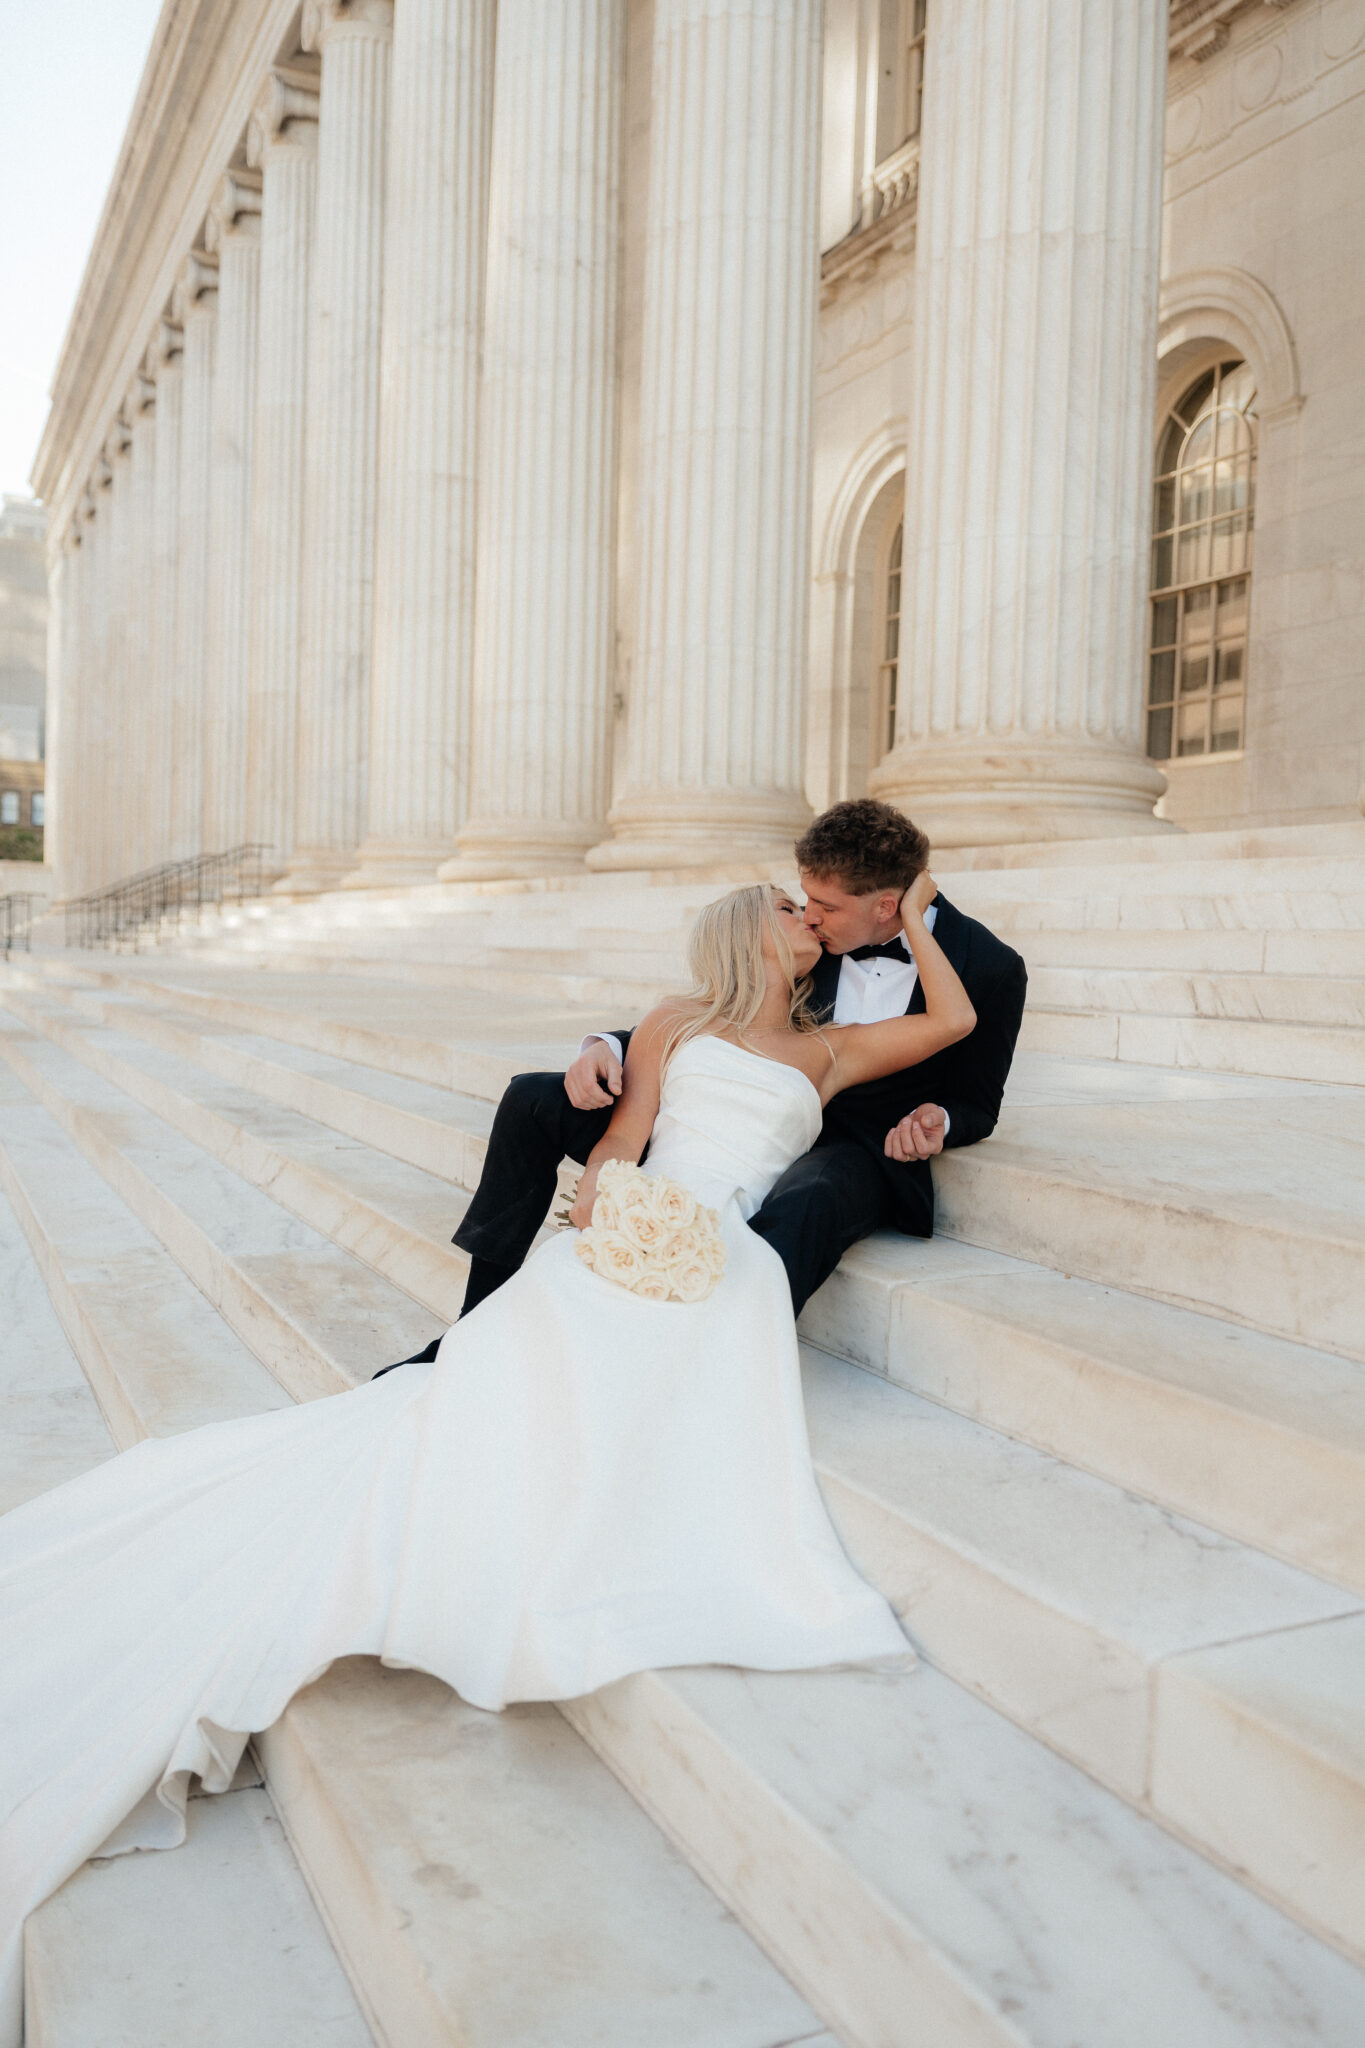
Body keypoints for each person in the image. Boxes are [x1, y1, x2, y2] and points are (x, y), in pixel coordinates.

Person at [0, 870, 973, 2044]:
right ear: (743, 932)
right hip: (633, 1235)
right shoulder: (672, 1021)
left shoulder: (831, 1053)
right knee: (531, 1346)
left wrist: (916, 917)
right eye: (786, 905)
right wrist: (604, 1213)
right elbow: (619, 1142)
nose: (805, 918)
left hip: (727, 1260)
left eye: (810, 906)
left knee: (702, 1345)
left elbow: (958, 1023)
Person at [385, 798, 1026, 1370]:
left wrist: (940, 1116)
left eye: (822, 907)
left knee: (808, 1201)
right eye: (799, 903)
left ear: (884, 905)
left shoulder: (981, 970)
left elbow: (974, 1085)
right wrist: (608, 1049)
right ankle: (472, 1327)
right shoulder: (811, 942)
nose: (810, 918)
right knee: (532, 1095)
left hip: (845, 1143)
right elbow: (724, 1011)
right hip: (706, 1123)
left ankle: (715, 1356)